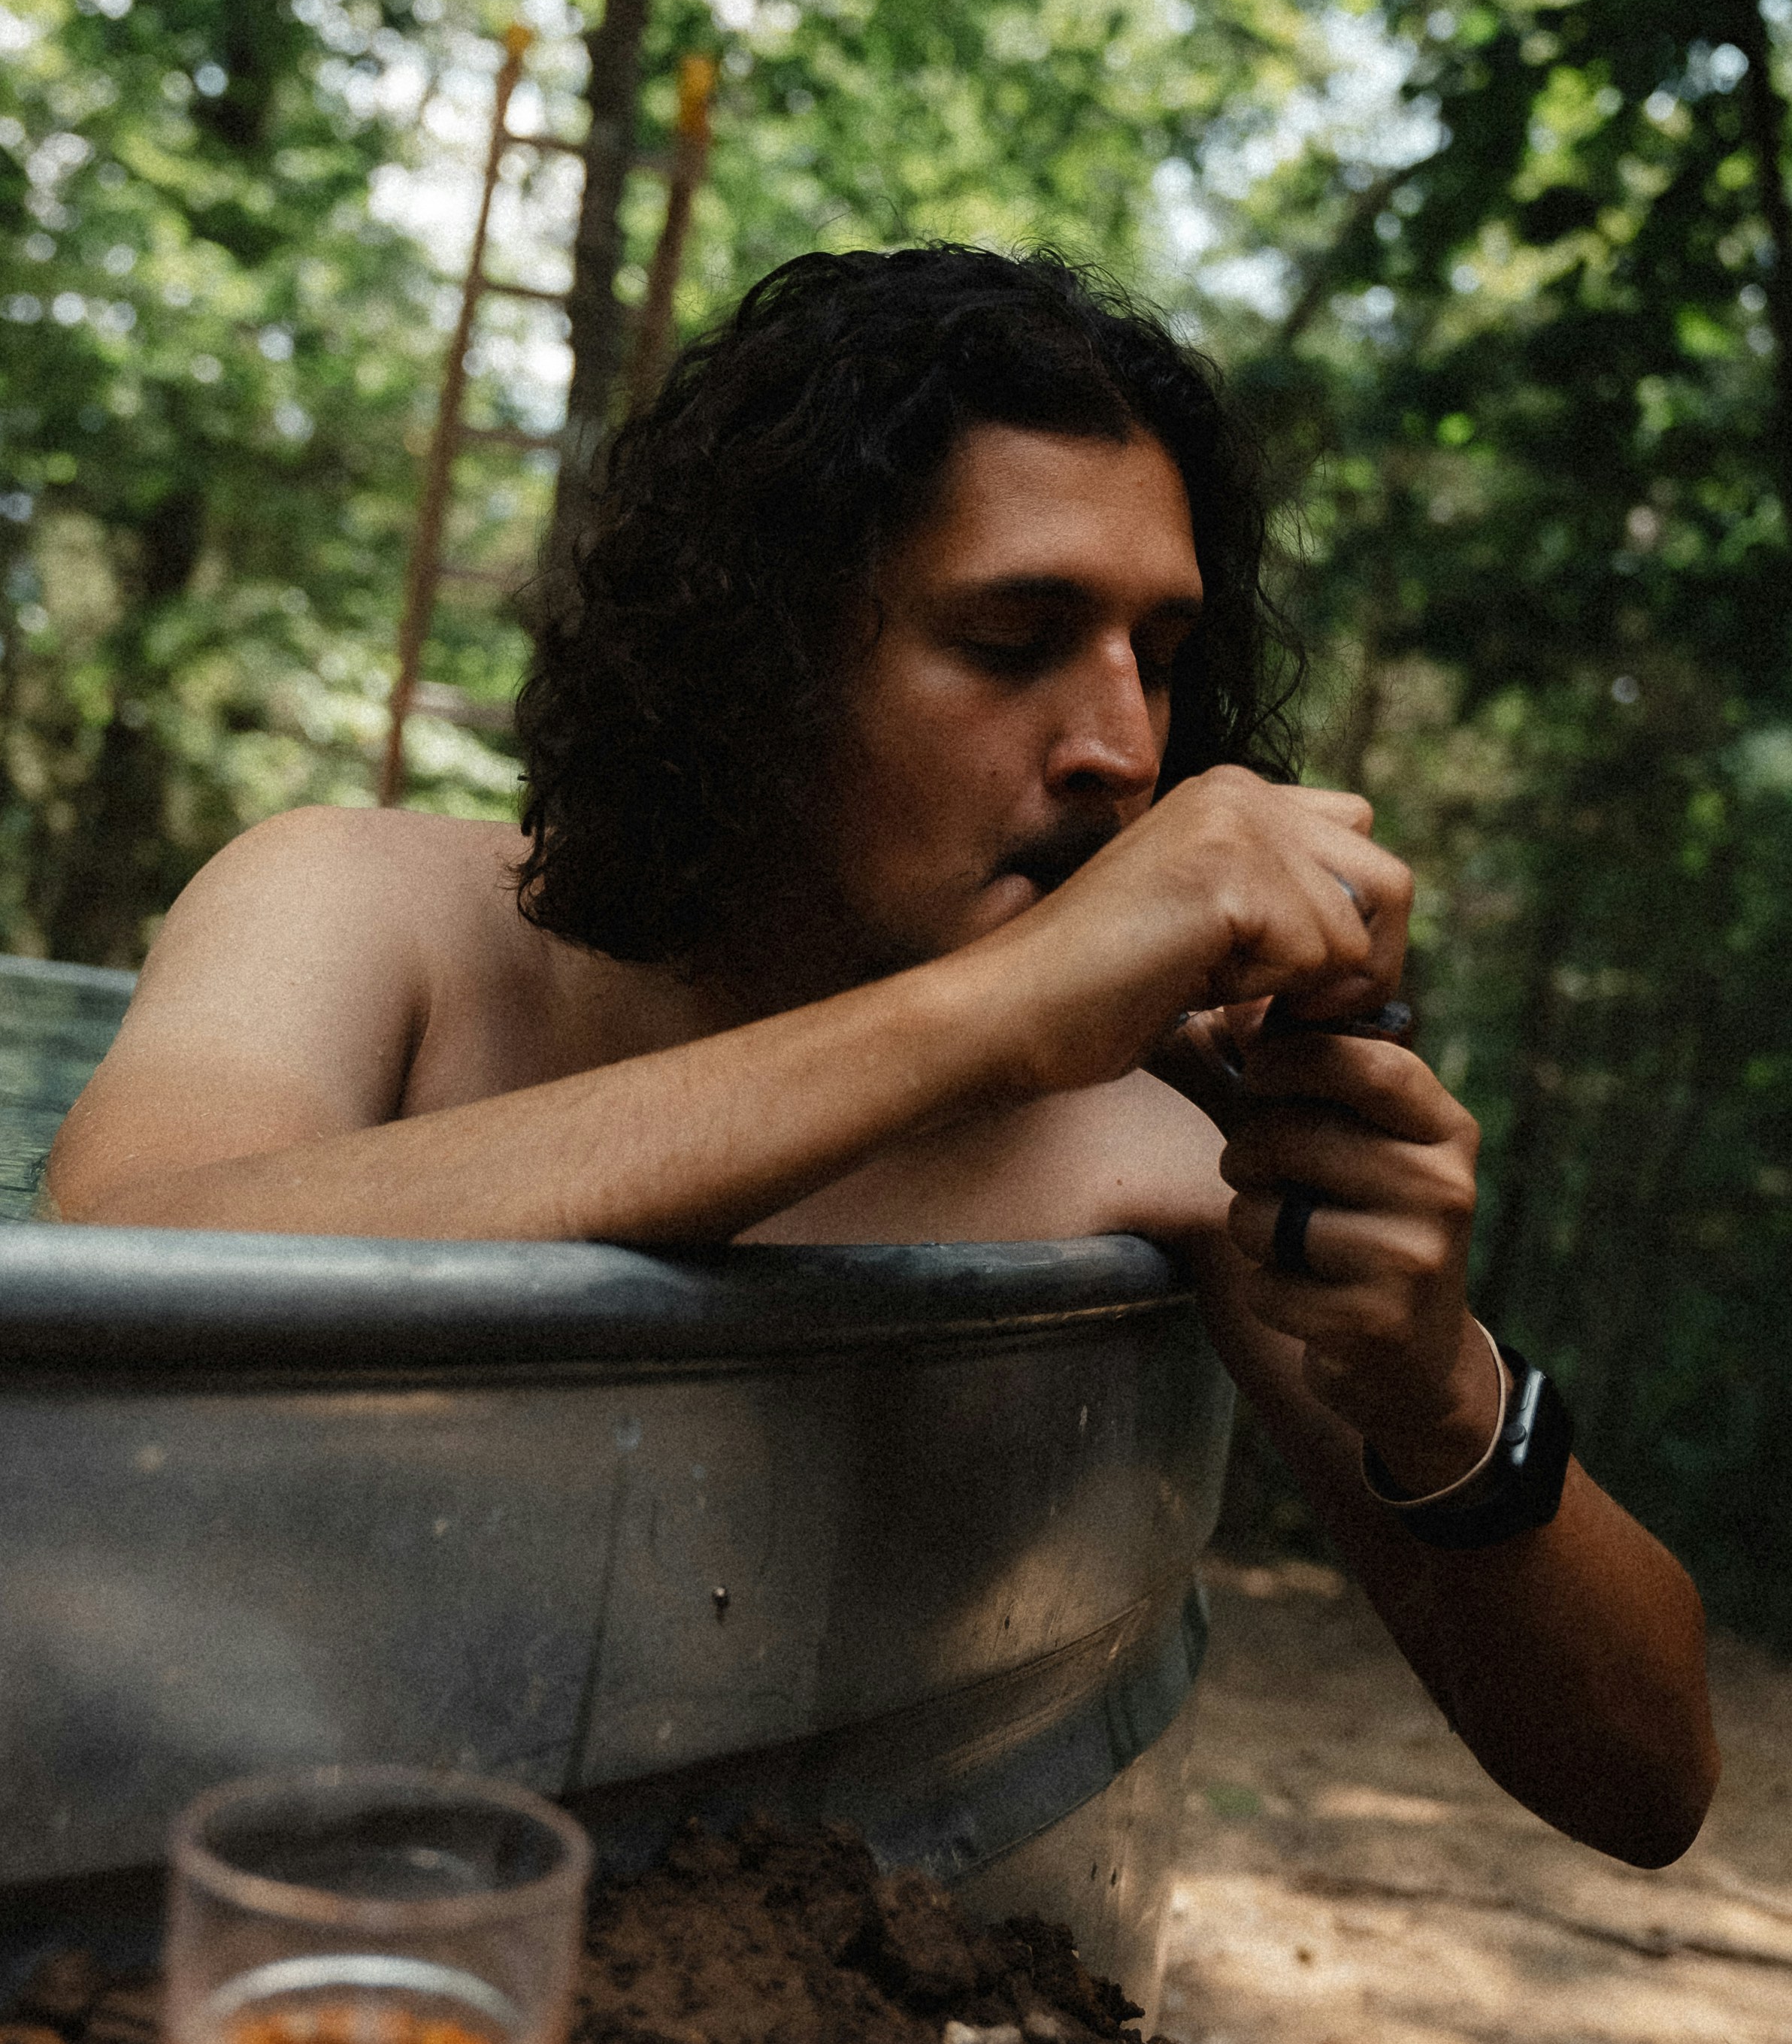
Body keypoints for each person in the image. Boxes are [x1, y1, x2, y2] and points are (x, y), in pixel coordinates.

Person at [50, 244, 1716, 1867]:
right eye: (1012, 642)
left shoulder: (1153, 1148)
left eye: (1160, 653)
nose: (1123, 748)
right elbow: (118, 1278)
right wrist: (991, 1015)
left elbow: (1647, 1782)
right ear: (755, 656)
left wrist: (1437, 1390)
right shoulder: (367, 906)